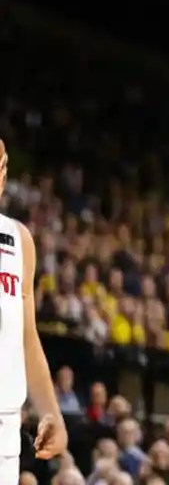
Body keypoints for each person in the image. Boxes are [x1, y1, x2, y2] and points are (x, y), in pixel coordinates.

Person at [0, 139, 69, 483]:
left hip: (5, 427)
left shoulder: (18, 238)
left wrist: (50, 411)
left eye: (2, 165)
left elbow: (27, 335)